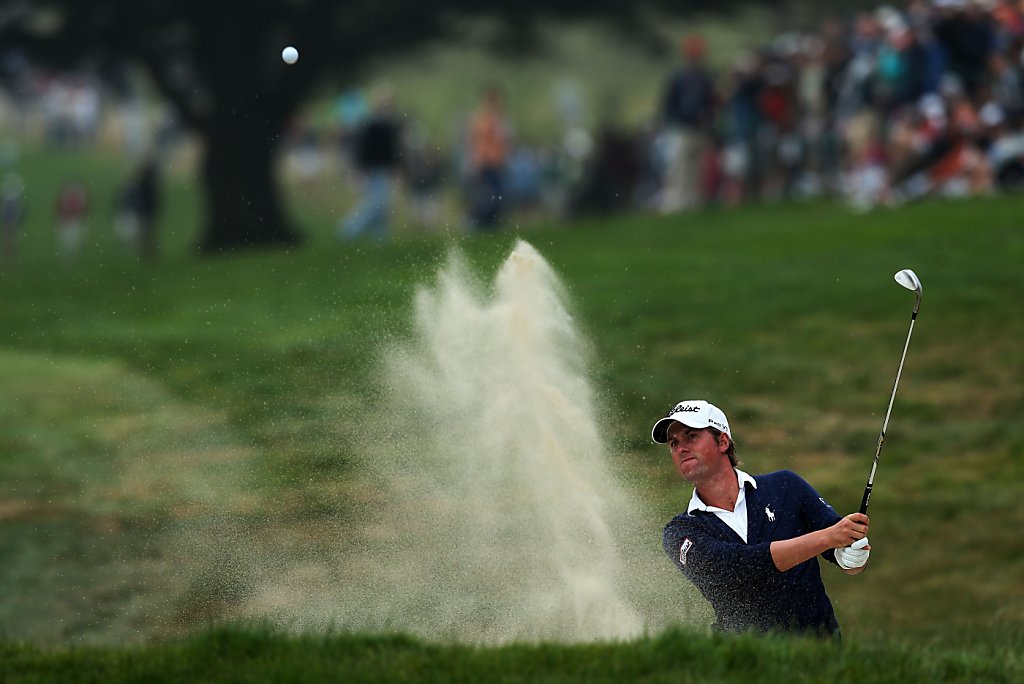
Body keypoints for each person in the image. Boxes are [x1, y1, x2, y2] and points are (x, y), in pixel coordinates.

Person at [654, 399, 870, 638]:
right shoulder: (681, 532)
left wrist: (853, 553)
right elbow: (736, 568)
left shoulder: (785, 486)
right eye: (674, 443)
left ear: (722, 441)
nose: (681, 448)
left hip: (819, 651)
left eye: (691, 436)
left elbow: (843, 552)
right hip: (744, 662)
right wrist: (826, 538)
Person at [338, 84, 402, 242]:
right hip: (373, 170)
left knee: (381, 206)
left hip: (383, 170)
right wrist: (360, 169)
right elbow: (363, 150)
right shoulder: (372, 124)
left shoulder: (389, 124)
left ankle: (379, 238)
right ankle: (349, 229)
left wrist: (396, 168)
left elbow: (391, 152)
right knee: (375, 205)